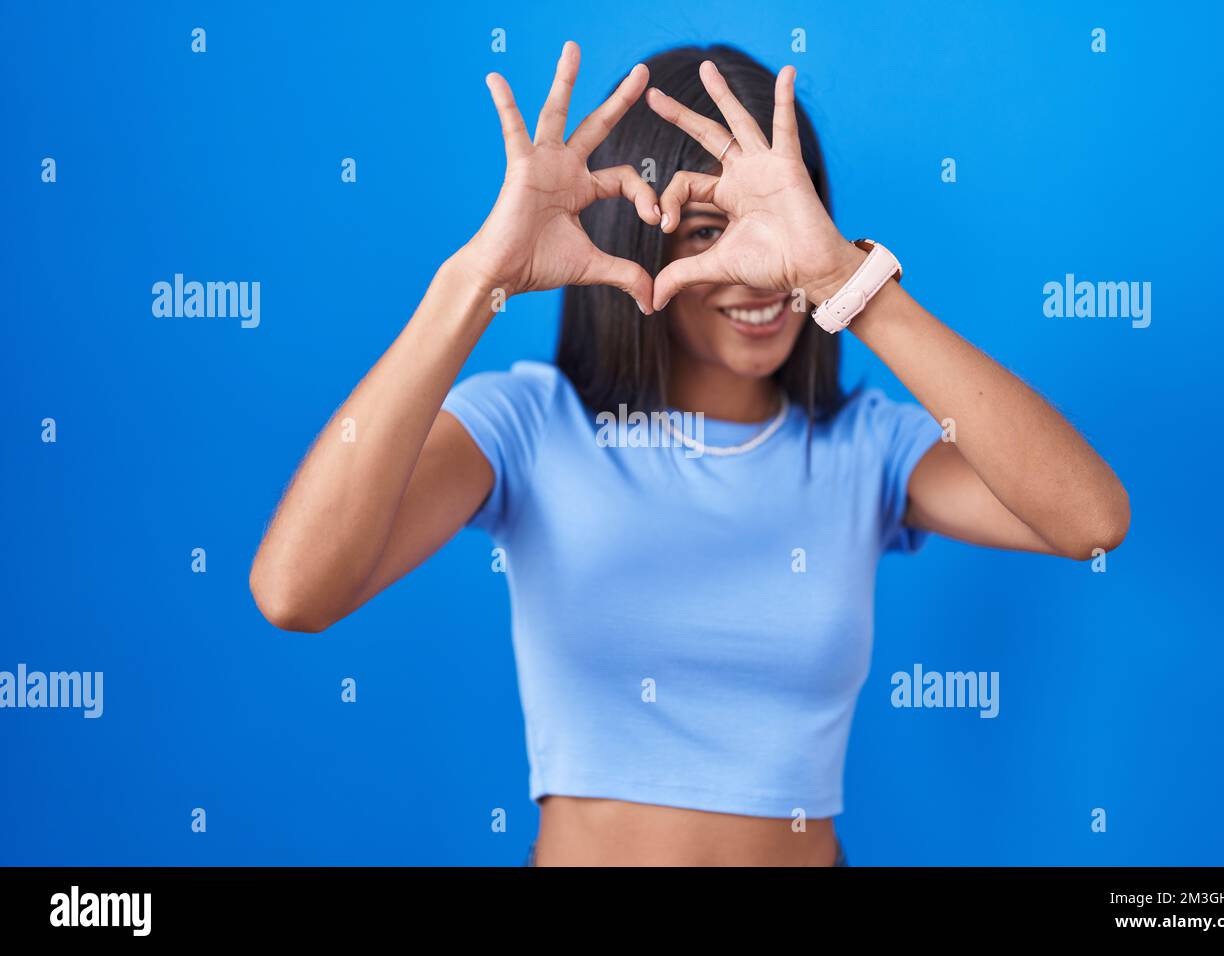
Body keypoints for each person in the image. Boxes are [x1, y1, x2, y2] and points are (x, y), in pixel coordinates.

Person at [250, 41, 1129, 867]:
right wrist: (473, 283)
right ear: (639, 234)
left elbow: (1090, 521)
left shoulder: (869, 448)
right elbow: (297, 592)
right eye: (707, 232)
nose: (755, 275)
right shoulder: (528, 423)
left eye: (782, 224)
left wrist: (846, 285)